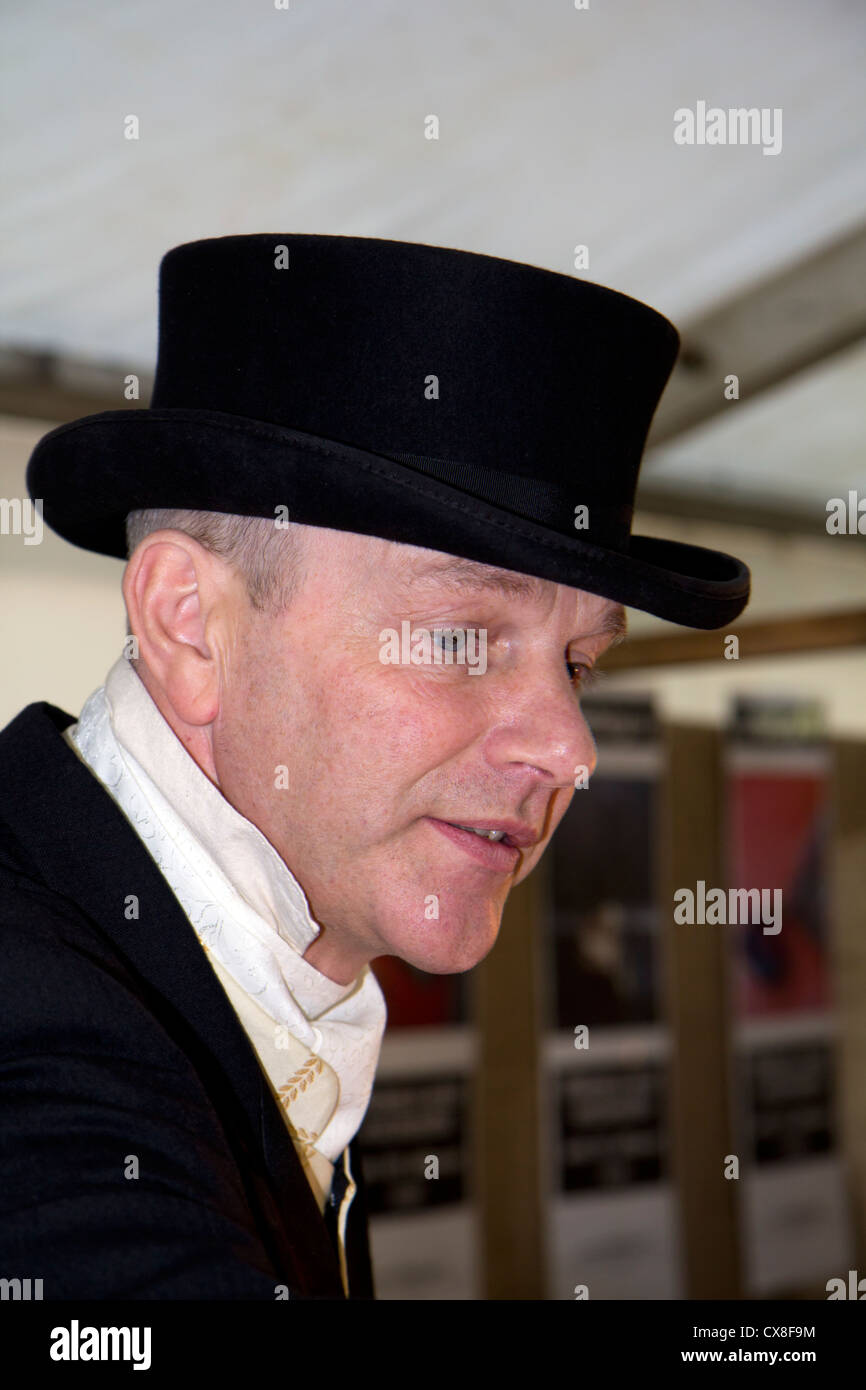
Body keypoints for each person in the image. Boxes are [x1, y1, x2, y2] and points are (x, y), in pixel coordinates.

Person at [0, 234, 750, 1299]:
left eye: (576, 664)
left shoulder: (183, 972)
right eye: (457, 638)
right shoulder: (39, 1064)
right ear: (189, 626)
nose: (567, 748)